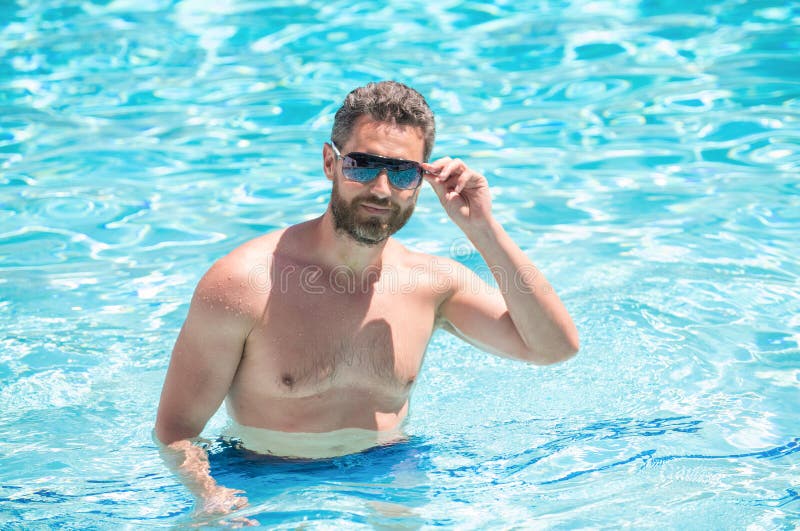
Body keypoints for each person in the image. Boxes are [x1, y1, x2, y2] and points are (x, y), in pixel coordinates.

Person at [154, 80, 579, 517]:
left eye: (401, 172)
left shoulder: (432, 283)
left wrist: (481, 227)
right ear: (329, 162)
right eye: (361, 165)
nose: (381, 189)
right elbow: (175, 431)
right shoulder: (244, 283)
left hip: (389, 468)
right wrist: (210, 496)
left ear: (421, 180)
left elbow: (554, 348)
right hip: (263, 473)